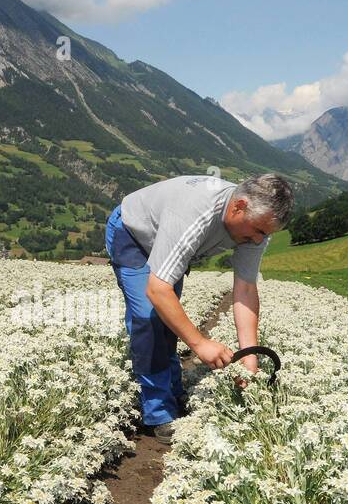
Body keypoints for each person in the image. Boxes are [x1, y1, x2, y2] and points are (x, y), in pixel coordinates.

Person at [104, 173, 294, 442]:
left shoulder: (256, 230)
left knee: (167, 320)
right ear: (238, 206)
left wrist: (250, 359)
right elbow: (158, 290)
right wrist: (200, 344)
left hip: (168, 239)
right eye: (259, 231)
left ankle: (171, 386)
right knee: (149, 317)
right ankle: (158, 412)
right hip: (132, 234)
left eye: (266, 234)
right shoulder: (195, 213)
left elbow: (246, 289)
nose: (258, 240)